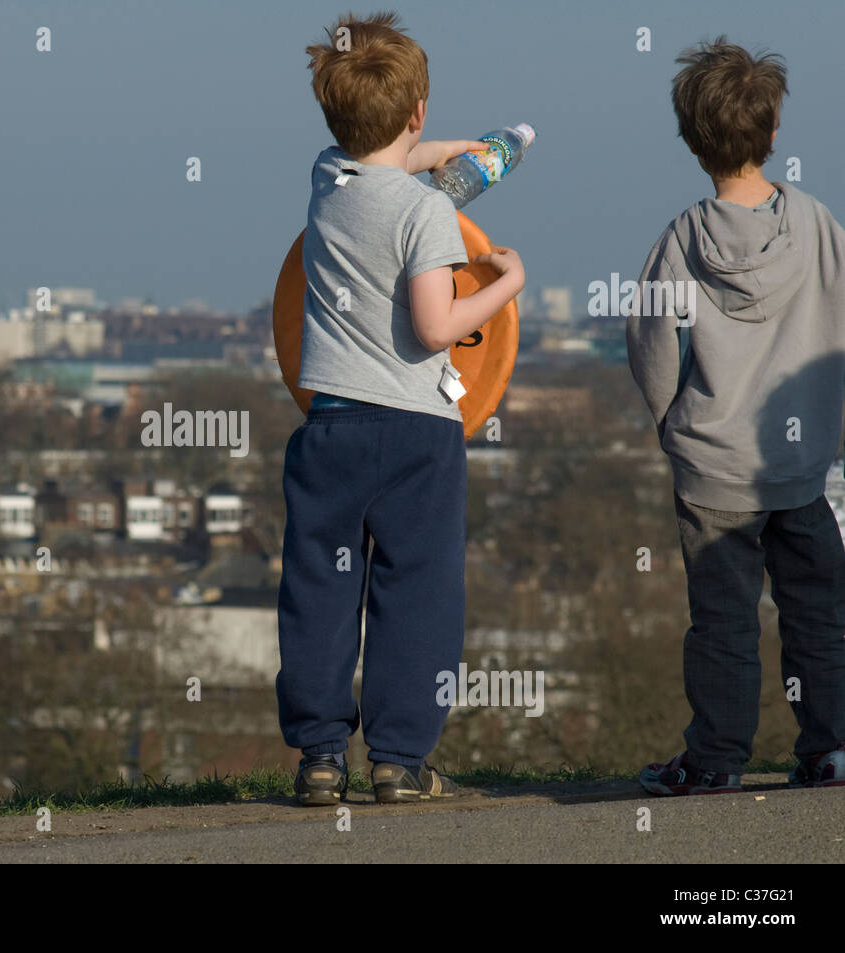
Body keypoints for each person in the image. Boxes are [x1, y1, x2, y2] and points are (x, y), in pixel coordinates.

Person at [277, 11, 525, 806]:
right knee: (417, 588)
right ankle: (399, 758)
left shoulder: (325, 179)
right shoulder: (425, 214)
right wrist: (505, 280)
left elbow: (383, 158)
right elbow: (433, 327)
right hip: (415, 430)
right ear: (418, 111)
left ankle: (320, 755)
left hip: (330, 425)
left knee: (318, 586)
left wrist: (436, 151)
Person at [628, 37, 845, 795]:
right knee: (818, 611)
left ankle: (717, 758)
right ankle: (832, 746)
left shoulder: (681, 241)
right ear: (774, 130)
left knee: (722, 623)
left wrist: (672, 428)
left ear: (692, 141)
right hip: (801, 463)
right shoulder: (817, 224)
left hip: (713, 466)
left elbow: (653, 349)